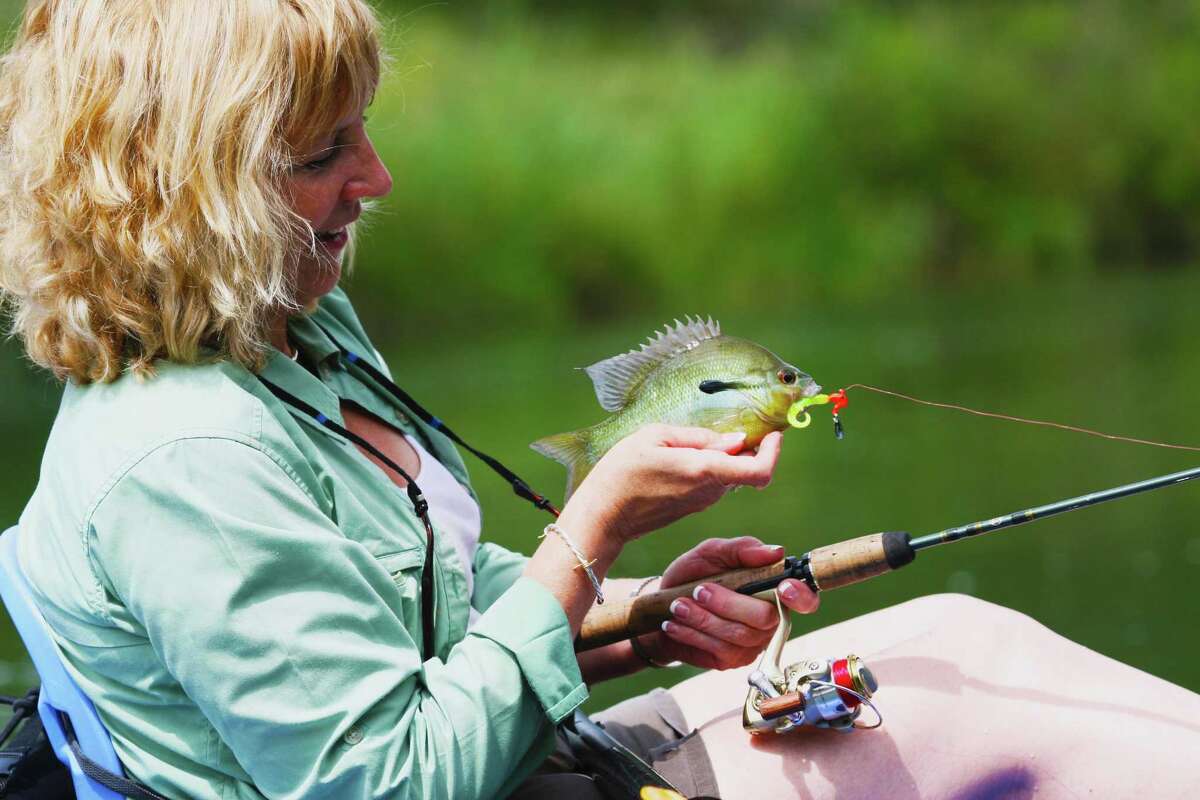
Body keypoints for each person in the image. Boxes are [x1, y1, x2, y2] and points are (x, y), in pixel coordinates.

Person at [1, 2, 1196, 799]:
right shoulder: (185, 461)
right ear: (188, 194)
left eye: (362, 132)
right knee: (1000, 726)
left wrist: (648, 610)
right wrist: (593, 527)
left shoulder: (293, 329)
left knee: (966, 639)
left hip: (550, 763)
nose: (378, 177)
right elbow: (394, 778)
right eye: (324, 155)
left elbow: (437, 616)